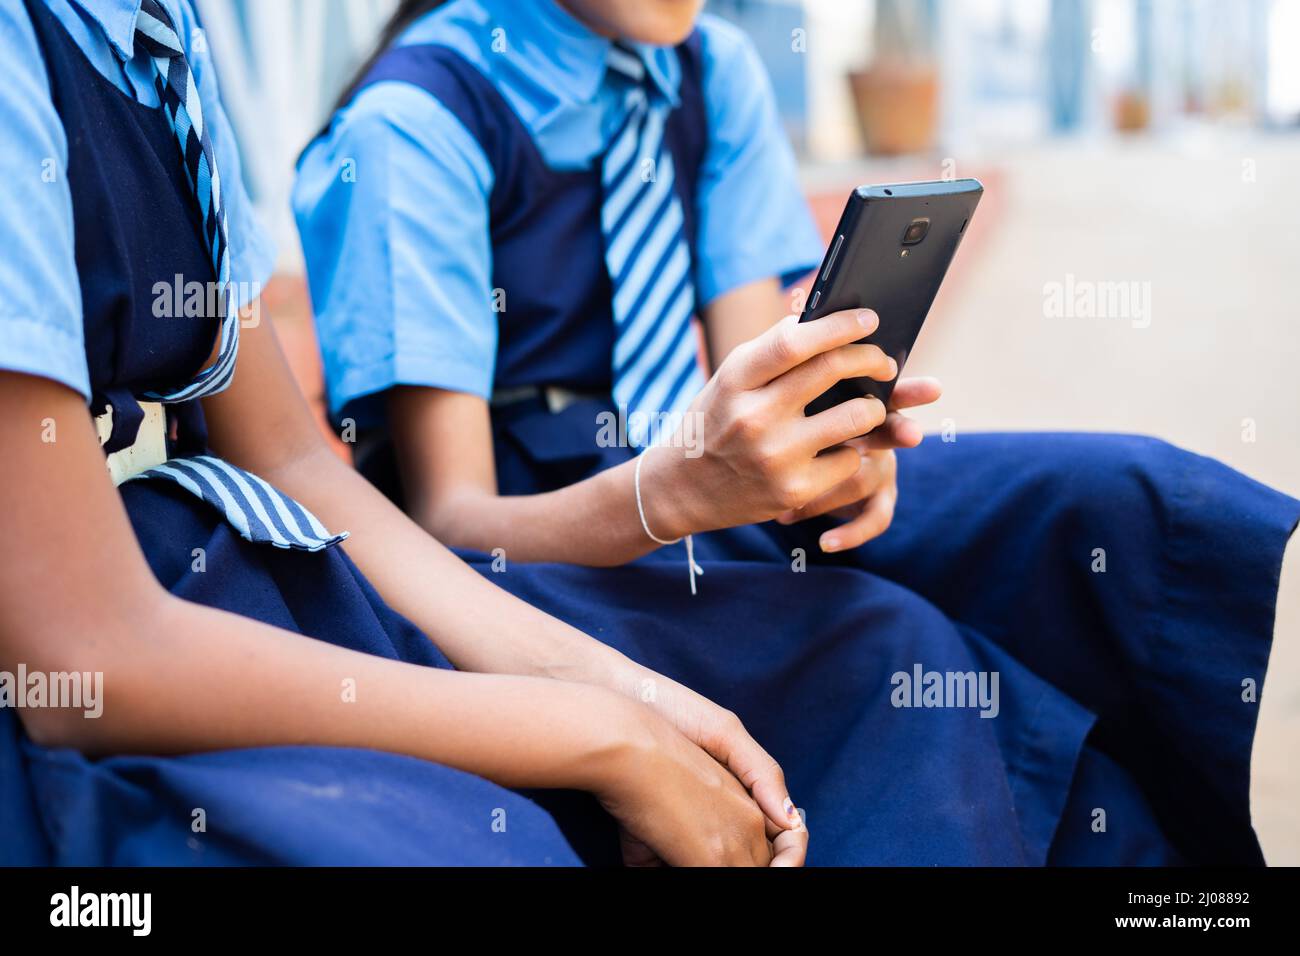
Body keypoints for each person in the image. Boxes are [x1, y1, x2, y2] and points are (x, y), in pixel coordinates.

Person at [295, 0, 1300, 864]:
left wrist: (822, 451)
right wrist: (667, 493)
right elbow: (448, 524)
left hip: (698, 480)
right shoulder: (415, 119)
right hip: (541, 548)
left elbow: (747, 371)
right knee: (888, 647)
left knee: (1113, 504)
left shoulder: (708, 66)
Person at [0, 0, 822, 867]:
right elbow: (84, 660)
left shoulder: (161, 32)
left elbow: (292, 459)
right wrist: (604, 731)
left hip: (264, 574)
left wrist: (630, 698)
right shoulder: (411, 118)